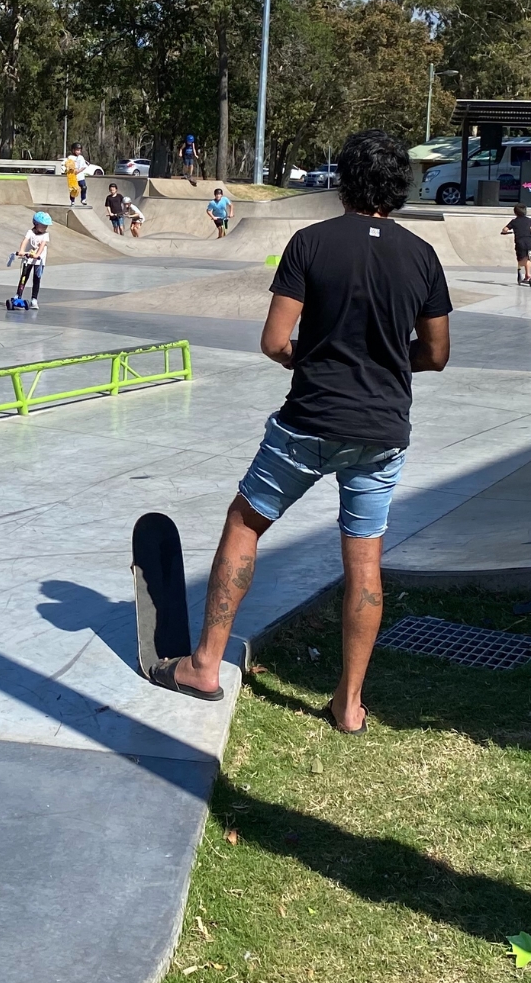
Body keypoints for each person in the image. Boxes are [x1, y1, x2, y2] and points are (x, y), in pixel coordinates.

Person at [150, 129, 451, 735]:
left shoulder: (311, 242)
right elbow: (437, 354)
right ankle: (349, 703)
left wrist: (310, 359)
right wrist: (387, 361)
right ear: (400, 186)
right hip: (381, 432)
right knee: (363, 560)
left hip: (307, 422)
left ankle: (204, 666)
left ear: (344, 182)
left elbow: (273, 341)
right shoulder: (422, 255)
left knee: (246, 523)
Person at [8, 211, 51, 310]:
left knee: (37, 278)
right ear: (36, 224)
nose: (45, 228)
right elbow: (25, 241)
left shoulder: (45, 235)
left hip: (39, 259)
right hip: (28, 258)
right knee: (24, 276)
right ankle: (18, 295)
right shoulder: (30, 232)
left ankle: (34, 299)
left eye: (46, 226)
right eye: (43, 226)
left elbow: (42, 245)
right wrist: (21, 251)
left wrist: (37, 255)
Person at [504, 204, 531, 285]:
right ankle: (528, 275)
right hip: (529, 241)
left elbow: (505, 229)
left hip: (520, 241)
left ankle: (522, 269)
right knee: (527, 257)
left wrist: (505, 232)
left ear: (515, 212)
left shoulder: (514, 221)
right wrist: (529, 230)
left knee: (521, 260)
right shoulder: (528, 220)